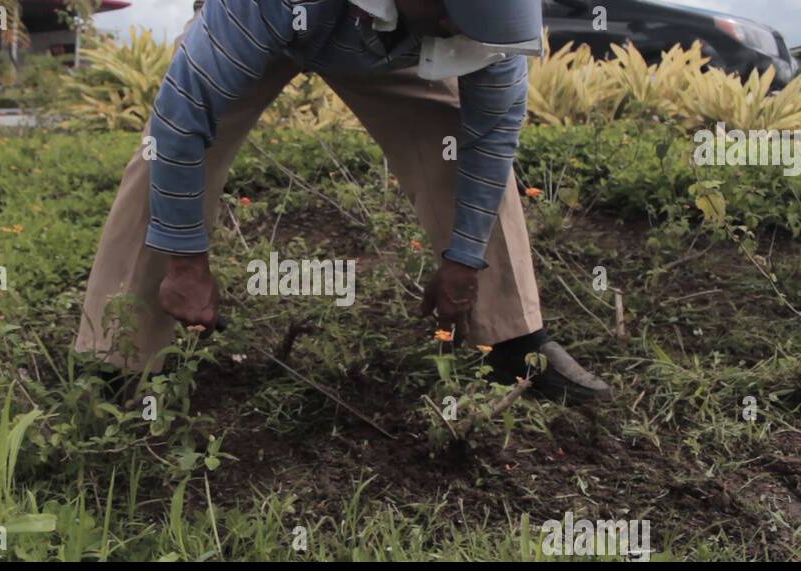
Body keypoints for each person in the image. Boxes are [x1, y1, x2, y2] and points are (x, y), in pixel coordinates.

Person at [75, 0, 612, 405]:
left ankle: (511, 342)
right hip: (277, 19)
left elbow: (490, 140)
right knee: (162, 157)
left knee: (455, 140)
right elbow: (182, 116)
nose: (464, 34)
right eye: (459, 21)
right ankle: (118, 357)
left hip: (397, 35)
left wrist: (464, 259)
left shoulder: (484, 23)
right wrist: (186, 262)